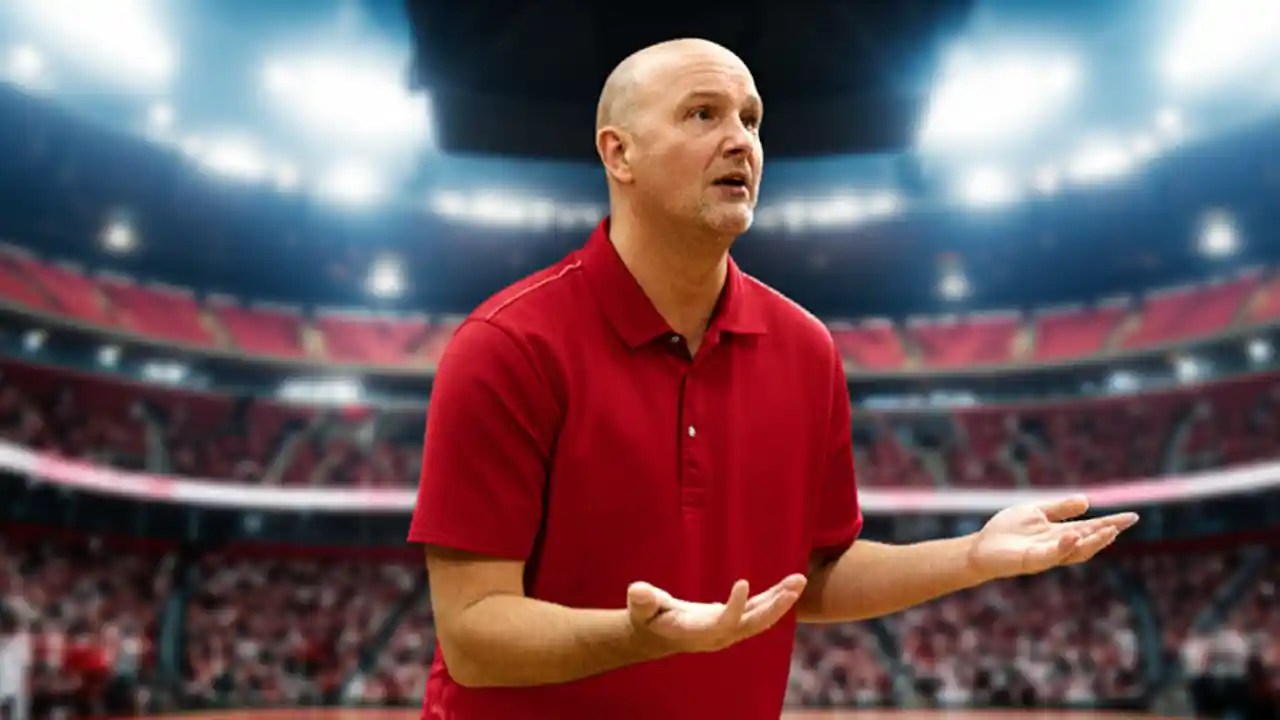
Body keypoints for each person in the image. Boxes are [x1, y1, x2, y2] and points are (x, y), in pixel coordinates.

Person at [406, 37, 1140, 720]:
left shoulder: (805, 349)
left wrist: (970, 556)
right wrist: (642, 637)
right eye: (703, 114)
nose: (741, 141)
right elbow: (472, 633)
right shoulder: (508, 346)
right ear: (619, 153)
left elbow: (811, 576)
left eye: (751, 120)